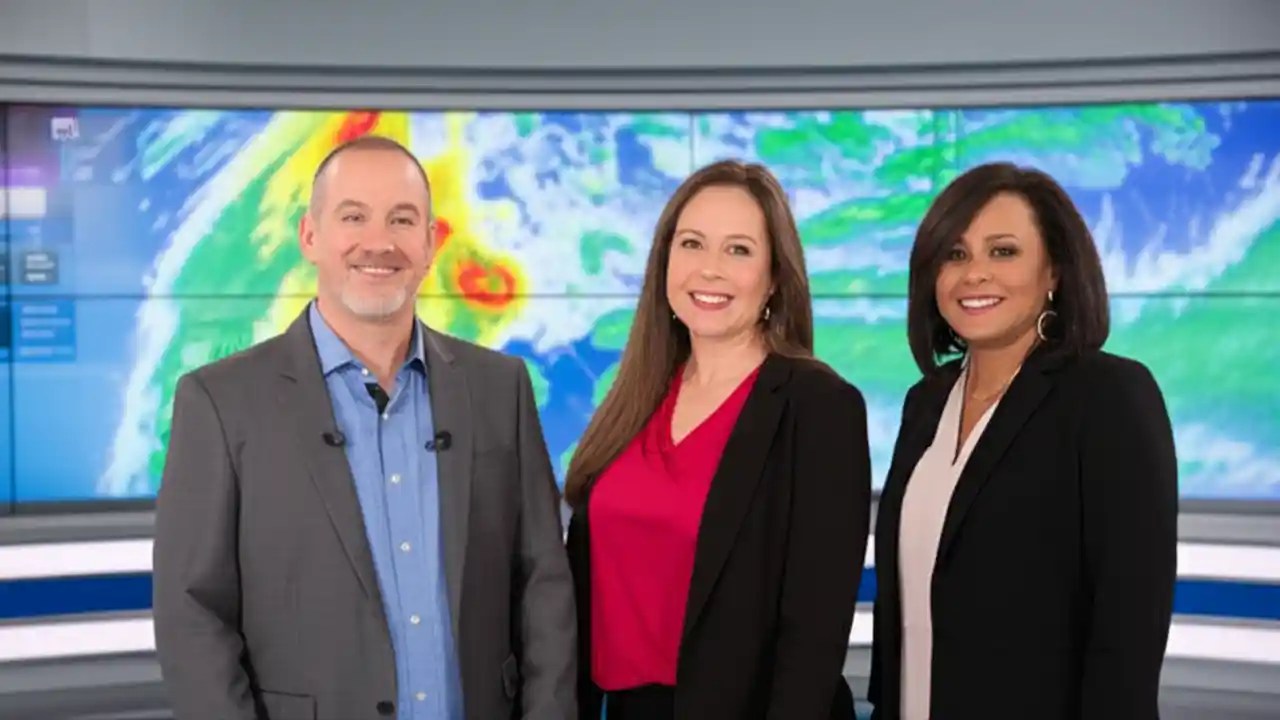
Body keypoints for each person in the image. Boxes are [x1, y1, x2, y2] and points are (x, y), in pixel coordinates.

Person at [152, 135, 576, 720]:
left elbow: (542, 585)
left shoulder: (499, 387)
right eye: (353, 216)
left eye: (402, 220)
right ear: (310, 236)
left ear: (430, 244)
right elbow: (193, 614)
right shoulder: (220, 403)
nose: (379, 243)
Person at [868, 162, 1178, 719]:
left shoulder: (1108, 395)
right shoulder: (926, 402)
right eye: (955, 254)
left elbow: (1129, 626)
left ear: (1054, 270)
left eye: (1003, 251)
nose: (974, 274)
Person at [563, 159, 872, 720]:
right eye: (692, 244)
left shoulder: (818, 406)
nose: (709, 270)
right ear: (664, 261)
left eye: (738, 250)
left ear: (775, 276)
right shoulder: (636, 398)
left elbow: (813, 635)